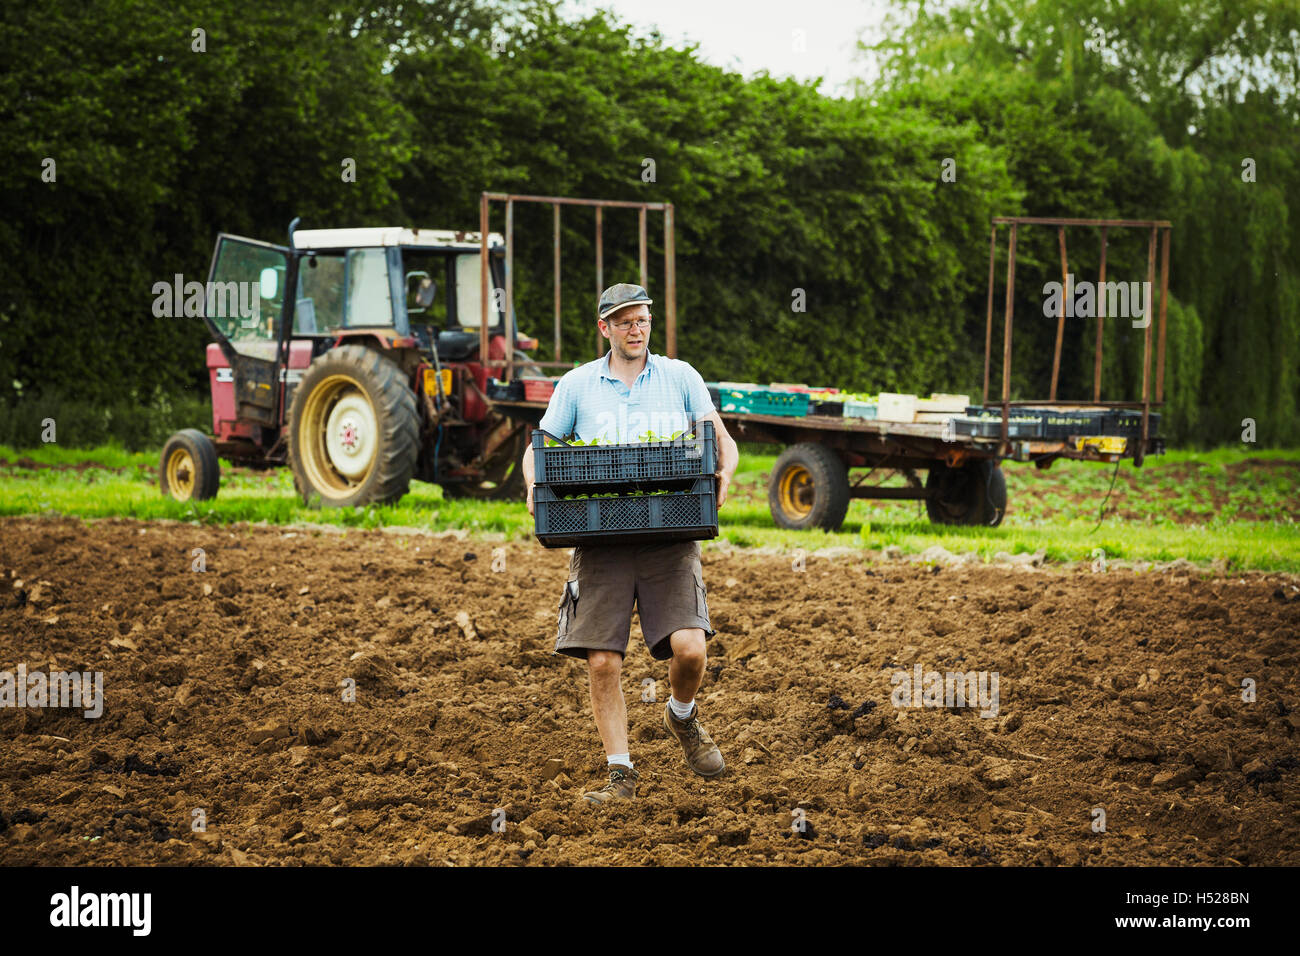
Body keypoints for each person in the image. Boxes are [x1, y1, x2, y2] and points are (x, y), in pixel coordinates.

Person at [522, 282, 740, 806]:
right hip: (601, 538)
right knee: (603, 661)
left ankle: (681, 716)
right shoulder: (577, 385)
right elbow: (540, 449)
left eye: (641, 320)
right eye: (623, 322)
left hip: (671, 531)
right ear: (605, 329)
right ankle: (621, 774)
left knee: (691, 650)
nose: (635, 329)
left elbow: (719, 436)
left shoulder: (680, 376)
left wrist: (726, 469)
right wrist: (533, 487)